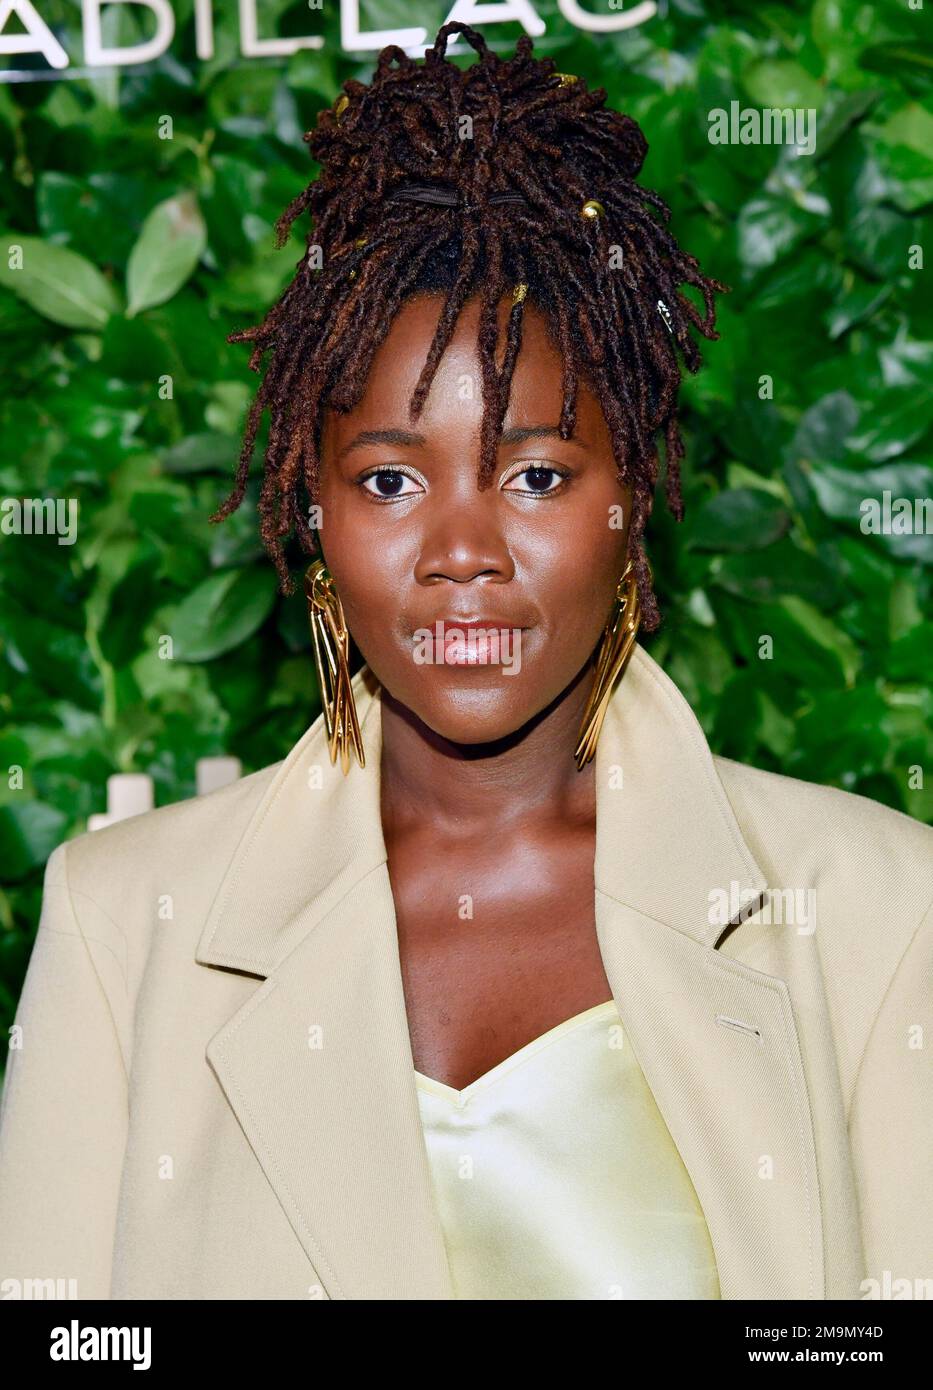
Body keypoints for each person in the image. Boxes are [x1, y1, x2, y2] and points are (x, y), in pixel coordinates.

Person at [0, 22, 930, 1303]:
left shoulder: (878, 915)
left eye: (537, 474)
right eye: (389, 478)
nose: (463, 551)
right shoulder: (123, 928)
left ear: (634, 494)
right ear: (310, 511)